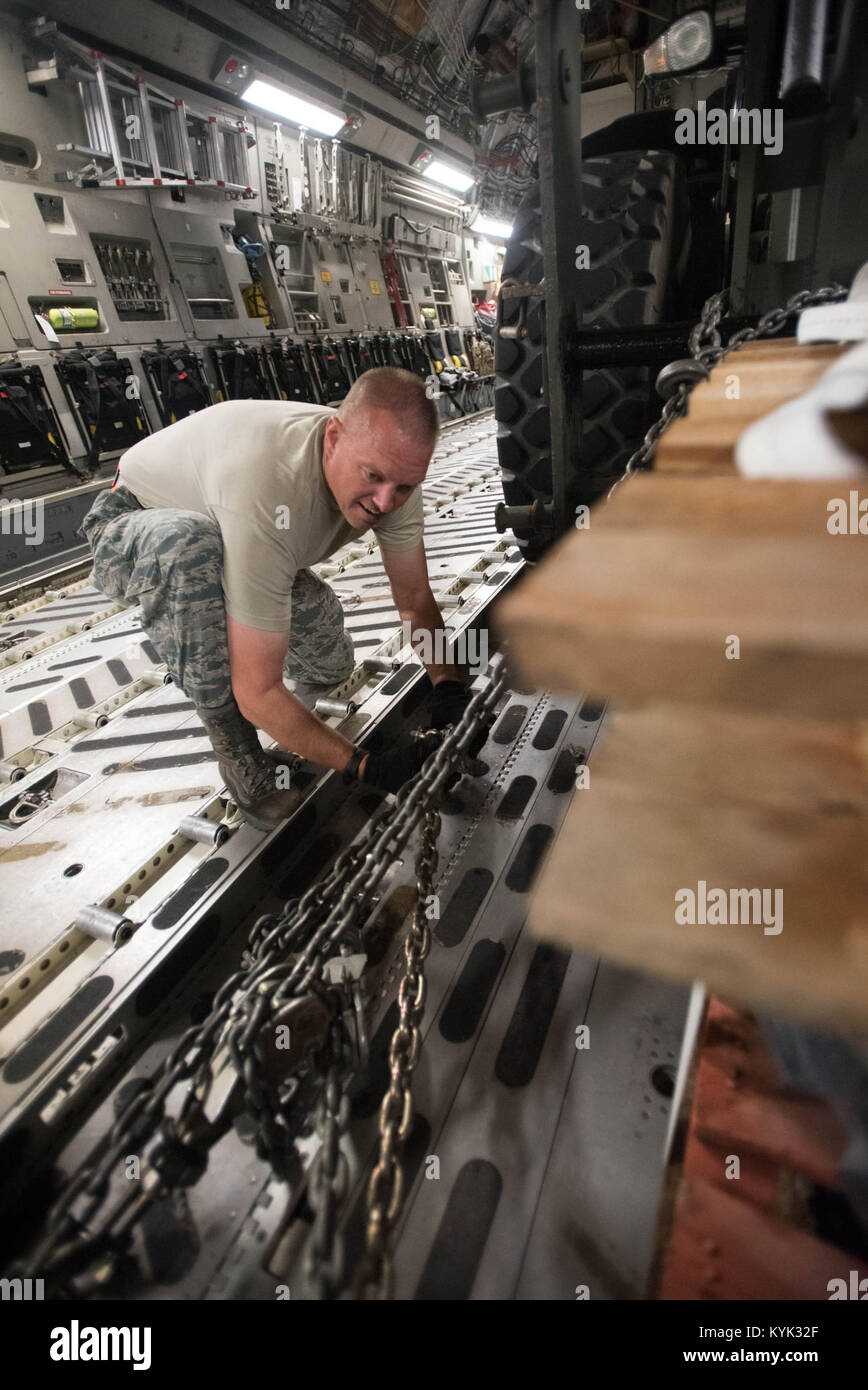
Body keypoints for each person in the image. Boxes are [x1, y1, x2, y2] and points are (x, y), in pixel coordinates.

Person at [78, 366, 471, 829]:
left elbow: (414, 601)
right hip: (139, 520)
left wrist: (448, 687)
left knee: (327, 660)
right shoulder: (267, 485)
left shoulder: (394, 473)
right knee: (188, 545)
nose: (385, 502)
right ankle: (237, 752)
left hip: (228, 525)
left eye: (403, 487)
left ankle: (299, 717)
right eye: (373, 477)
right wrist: (368, 767)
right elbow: (257, 690)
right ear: (332, 440)